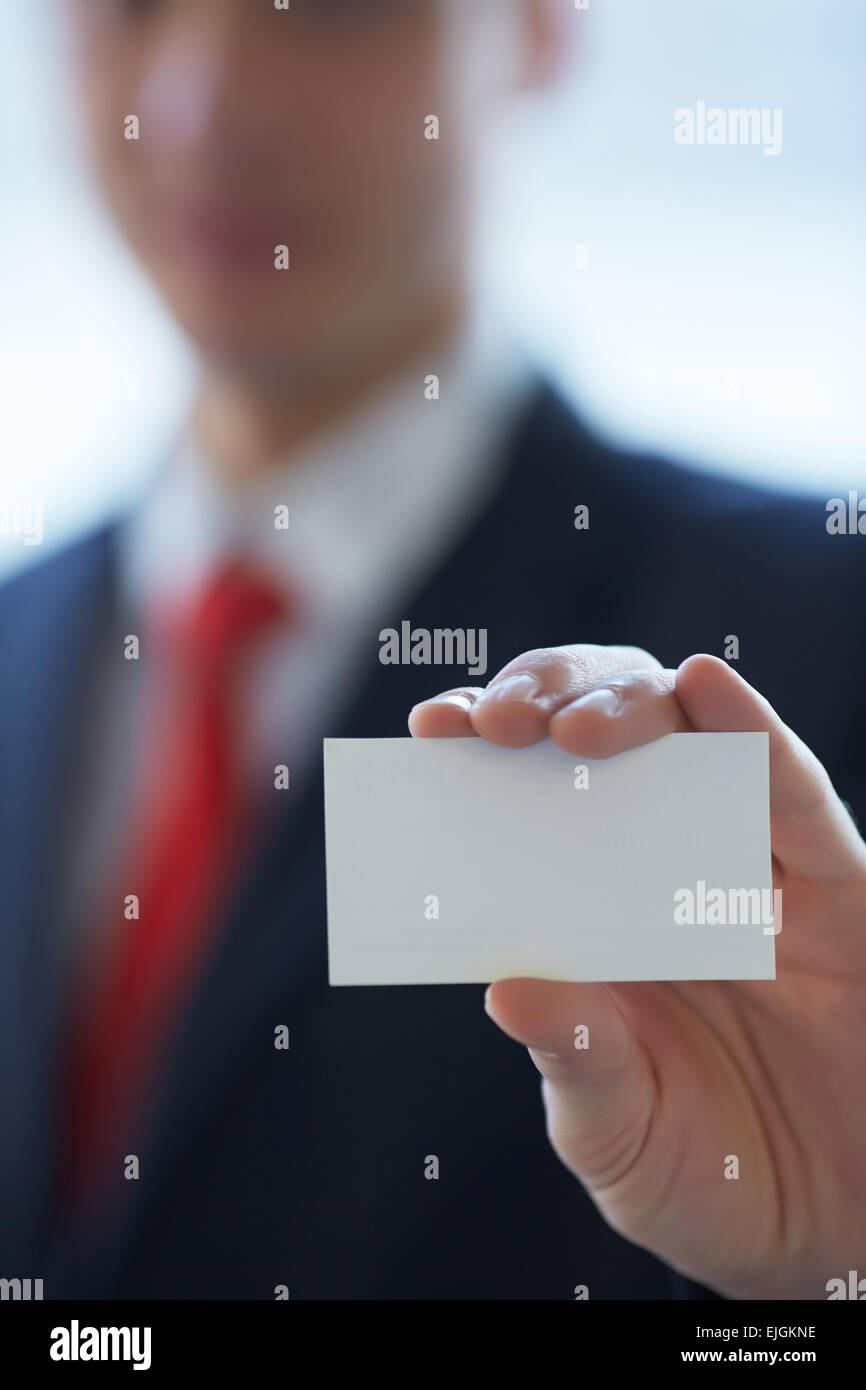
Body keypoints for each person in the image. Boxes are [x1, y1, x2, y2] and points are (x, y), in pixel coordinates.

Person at [0, 0, 863, 1300]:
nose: (200, 106)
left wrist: (838, 1268)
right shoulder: (20, 644)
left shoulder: (821, 641)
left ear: (533, 32)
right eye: (127, 7)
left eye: (333, 12)